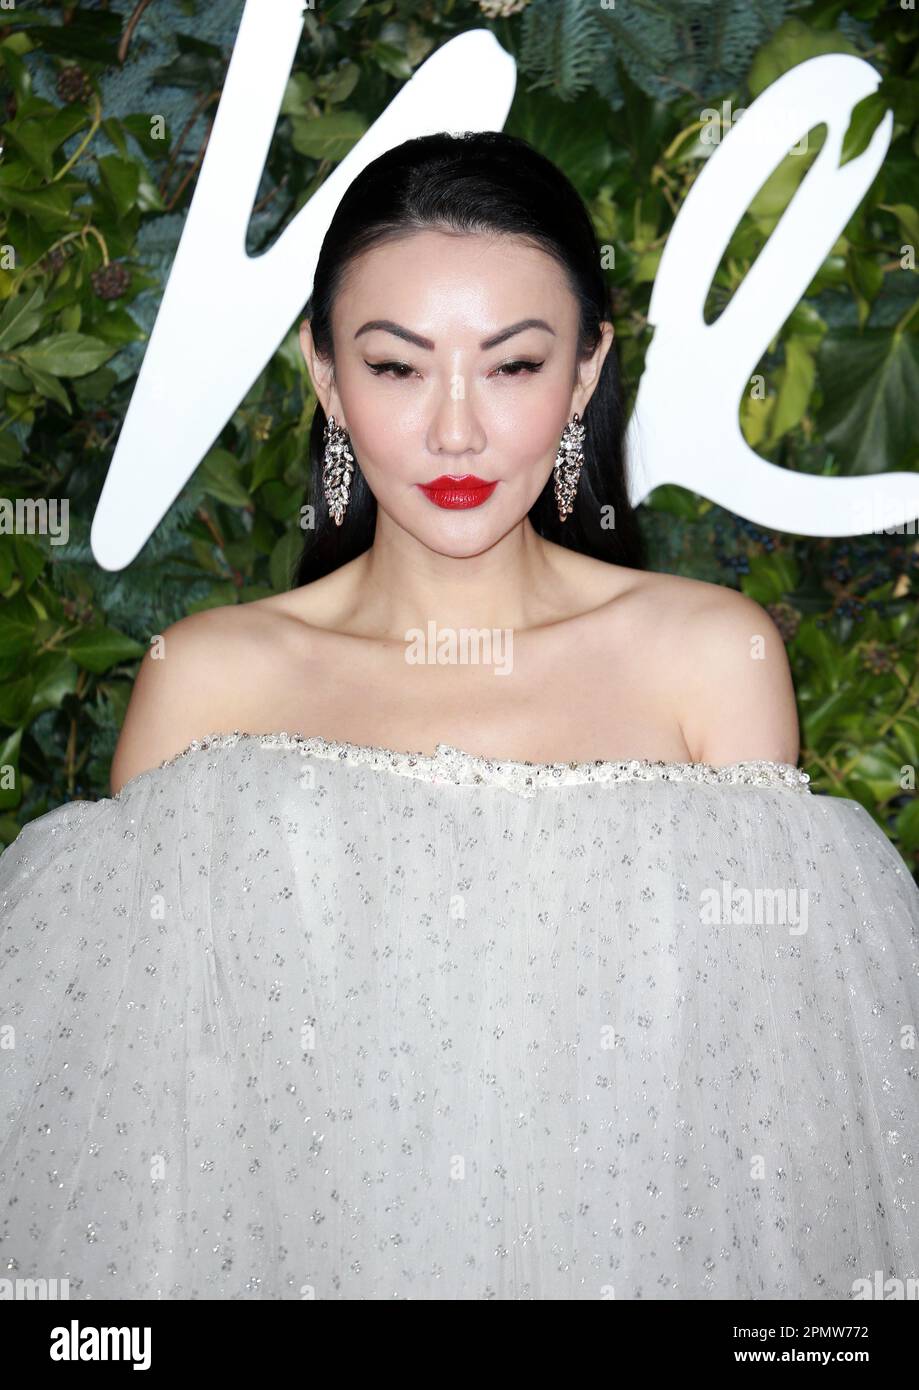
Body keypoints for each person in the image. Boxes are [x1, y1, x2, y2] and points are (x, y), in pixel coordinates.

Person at [1, 131, 916, 1301]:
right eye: (395, 368)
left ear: (585, 372)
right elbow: (146, 1152)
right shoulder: (211, 677)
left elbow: (762, 1153)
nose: (454, 433)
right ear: (325, 377)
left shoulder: (707, 660)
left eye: (512, 366)